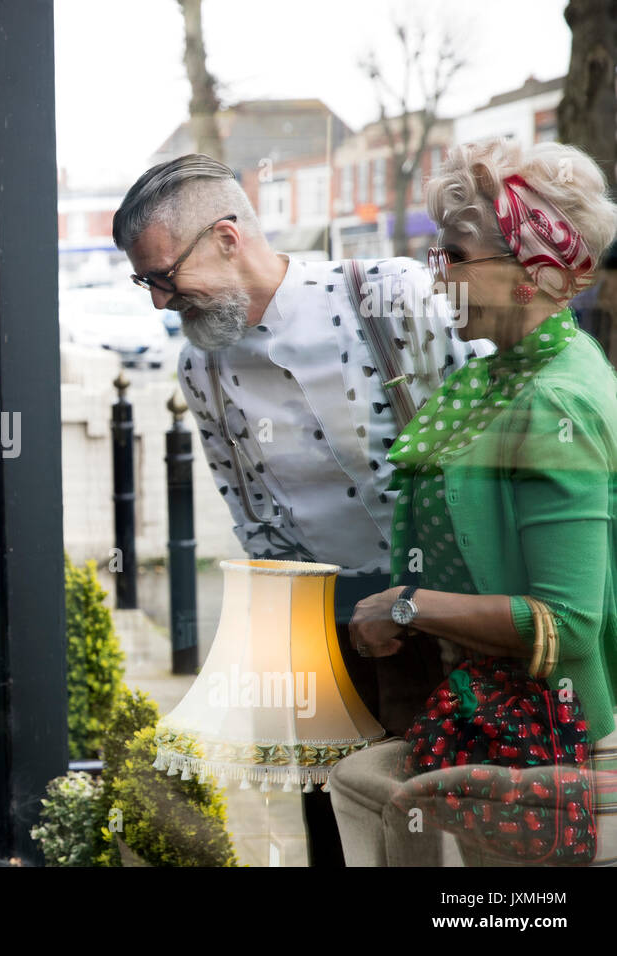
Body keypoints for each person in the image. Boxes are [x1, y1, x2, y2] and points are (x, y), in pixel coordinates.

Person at [113, 154, 487, 866]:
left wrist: (422, 606)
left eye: (163, 276)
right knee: (334, 832)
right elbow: (250, 513)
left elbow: (483, 445)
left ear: (228, 237)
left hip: (441, 615)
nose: (160, 302)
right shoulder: (202, 367)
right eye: (146, 282)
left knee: (437, 829)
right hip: (322, 633)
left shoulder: (390, 295)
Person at [330, 138, 617, 866]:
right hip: (474, 729)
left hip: (540, 753)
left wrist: (405, 605)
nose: (436, 280)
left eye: (454, 256)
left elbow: (568, 624)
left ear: (536, 265)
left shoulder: (558, 396)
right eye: (435, 256)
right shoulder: (491, 378)